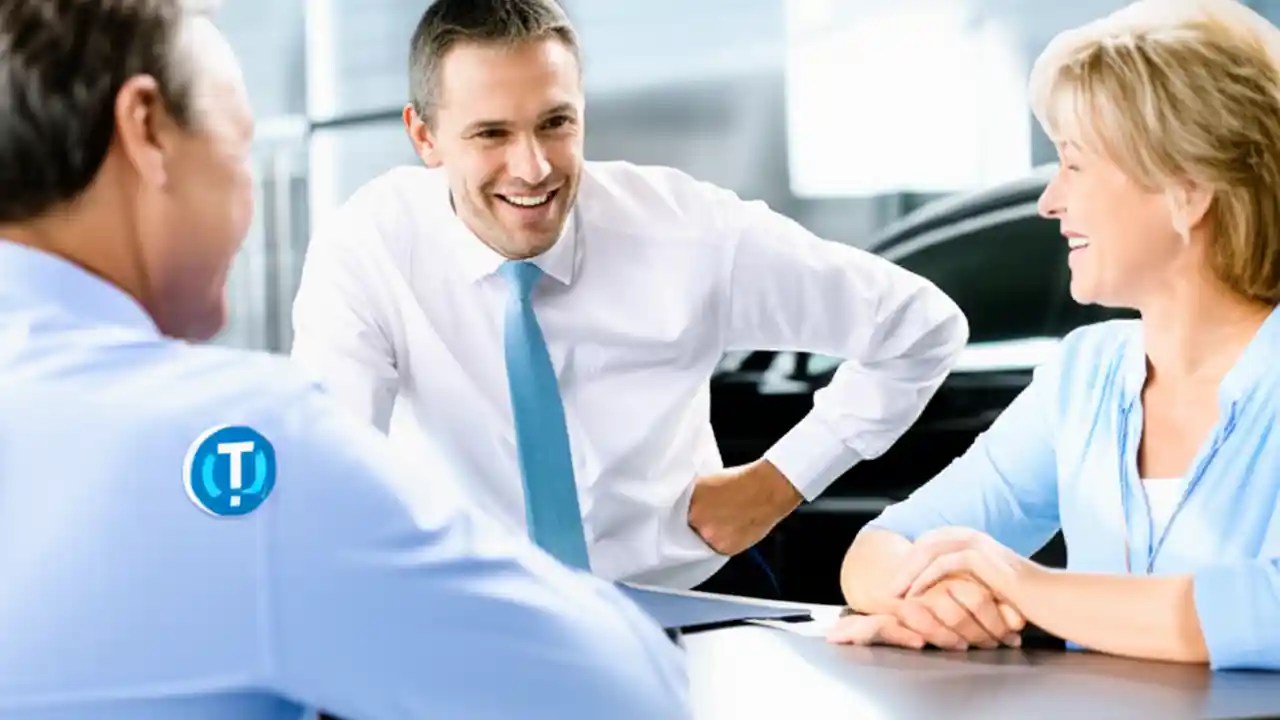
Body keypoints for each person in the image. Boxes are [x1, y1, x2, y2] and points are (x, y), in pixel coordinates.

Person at [0, 1, 690, 718]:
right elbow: (621, 693)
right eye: (239, 149)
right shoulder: (241, 448)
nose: (247, 201)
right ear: (146, 130)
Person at [289, 0, 969, 597]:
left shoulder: (687, 233)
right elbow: (332, 472)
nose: (533, 168)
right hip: (472, 610)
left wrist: (778, 483)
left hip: (684, 594)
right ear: (424, 137)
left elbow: (920, 327)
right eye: (491, 133)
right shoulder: (369, 248)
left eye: (556, 123)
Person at [831, 0, 1280, 671]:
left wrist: (1021, 586)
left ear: (1186, 188)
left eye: (1075, 164)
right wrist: (936, 597)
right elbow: (883, 545)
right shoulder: (1085, 376)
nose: (1050, 201)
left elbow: (1265, 611)